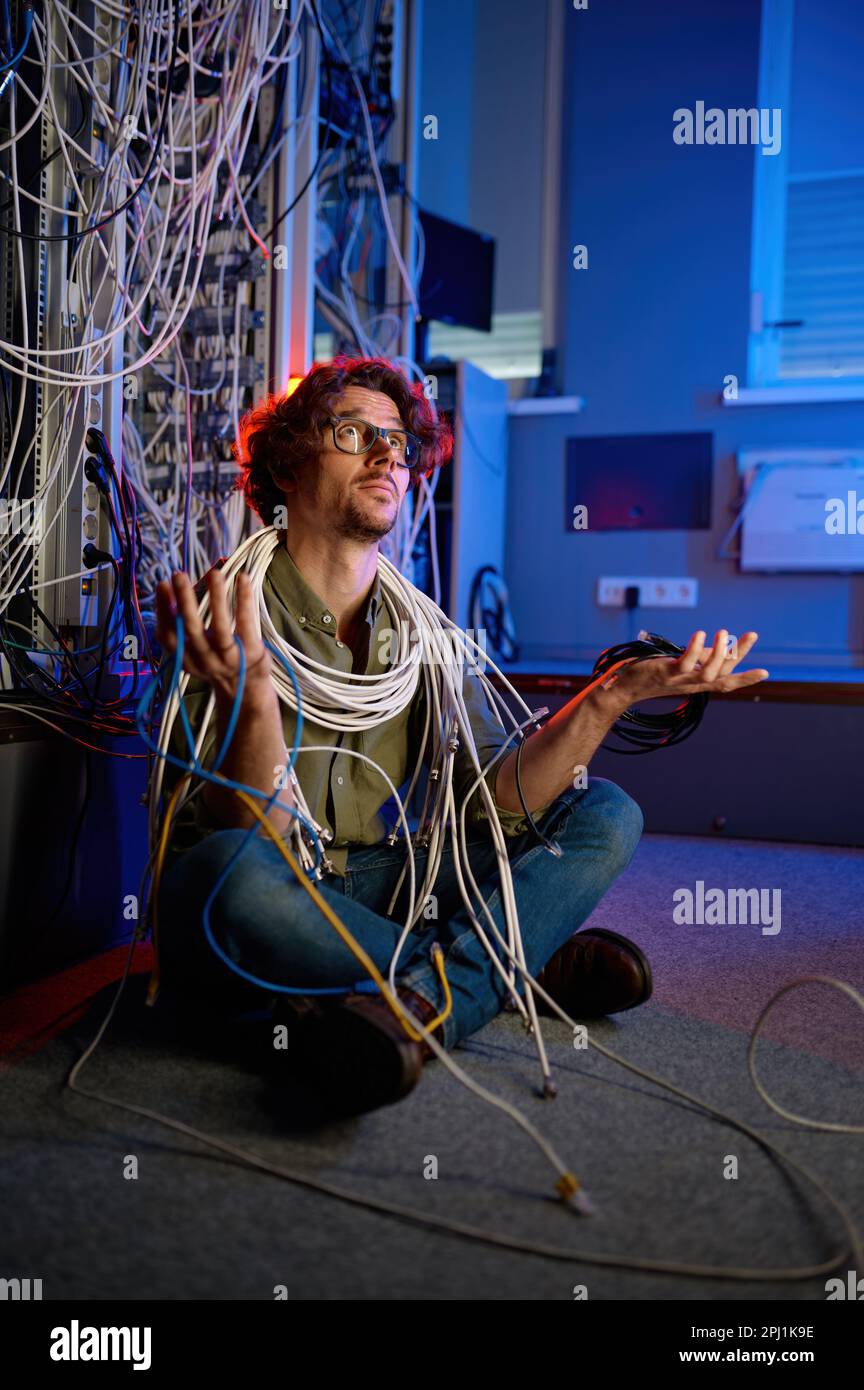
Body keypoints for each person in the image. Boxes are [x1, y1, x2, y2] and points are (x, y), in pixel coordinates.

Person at [152, 355, 769, 1116]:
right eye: (354, 433)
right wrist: (250, 695)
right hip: (255, 894)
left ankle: (426, 993)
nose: (388, 456)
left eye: (399, 445)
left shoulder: (427, 634)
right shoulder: (221, 613)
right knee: (232, 877)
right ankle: (506, 971)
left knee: (606, 812)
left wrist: (611, 699)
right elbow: (258, 842)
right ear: (286, 465)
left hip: (384, 887)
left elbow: (497, 804)